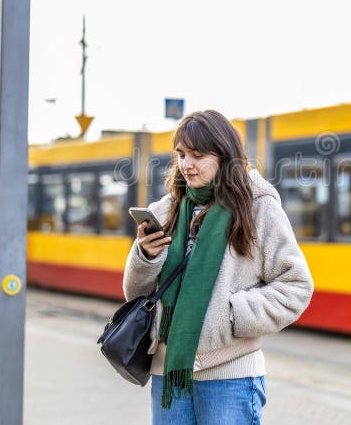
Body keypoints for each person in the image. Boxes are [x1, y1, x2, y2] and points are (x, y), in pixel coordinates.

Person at [122, 110, 314, 424]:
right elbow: (136, 295)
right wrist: (145, 256)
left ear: (224, 156)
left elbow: (296, 286)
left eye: (197, 155)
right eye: (181, 155)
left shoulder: (257, 206)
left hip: (230, 376)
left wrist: (231, 315)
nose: (186, 165)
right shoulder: (166, 210)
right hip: (169, 374)